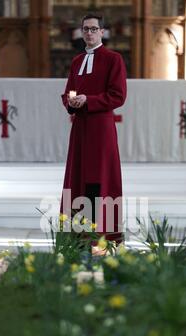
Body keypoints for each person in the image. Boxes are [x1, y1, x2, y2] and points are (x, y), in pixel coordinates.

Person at [61, 13, 127, 245]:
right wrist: (71, 101)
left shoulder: (113, 59)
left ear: (102, 32)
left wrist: (89, 100)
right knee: (79, 175)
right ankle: (79, 233)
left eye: (93, 29)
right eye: (85, 29)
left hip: (101, 129)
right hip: (80, 128)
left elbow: (118, 96)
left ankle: (101, 234)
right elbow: (69, 90)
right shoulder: (77, 61)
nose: (88, 33)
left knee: (99, 178)